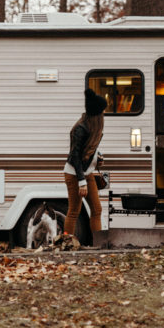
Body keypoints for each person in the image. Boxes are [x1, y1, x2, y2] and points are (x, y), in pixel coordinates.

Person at [63, 88, 108, 244]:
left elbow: (87, 150)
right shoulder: (81, 129)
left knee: (96, 210)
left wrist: (97, 157)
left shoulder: (93, 127)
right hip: (74, 174)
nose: (104, 114)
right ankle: (67, 243)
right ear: (97, 114)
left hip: (87, 173)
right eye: (102, 111)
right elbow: (75, 156)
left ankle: (98, 244)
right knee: (74, 211)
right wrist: (81, 181)